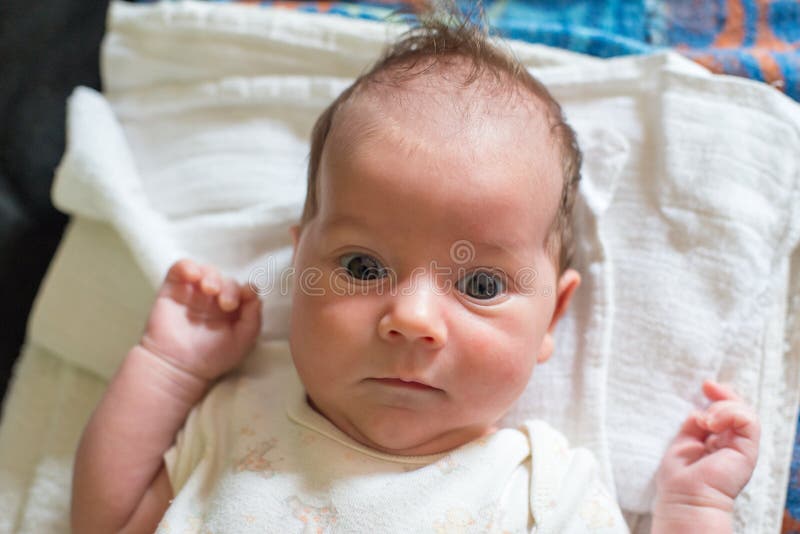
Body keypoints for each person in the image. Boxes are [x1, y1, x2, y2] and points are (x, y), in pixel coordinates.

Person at [71, 5, 759, 533]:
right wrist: (169, 369)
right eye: (364, 265)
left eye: (482, 286)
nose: (412, 319)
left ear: (551, 316)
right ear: (299, 257)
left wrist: (693, 507)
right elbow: (108, 522)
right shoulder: (240, 414)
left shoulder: (541, 487)